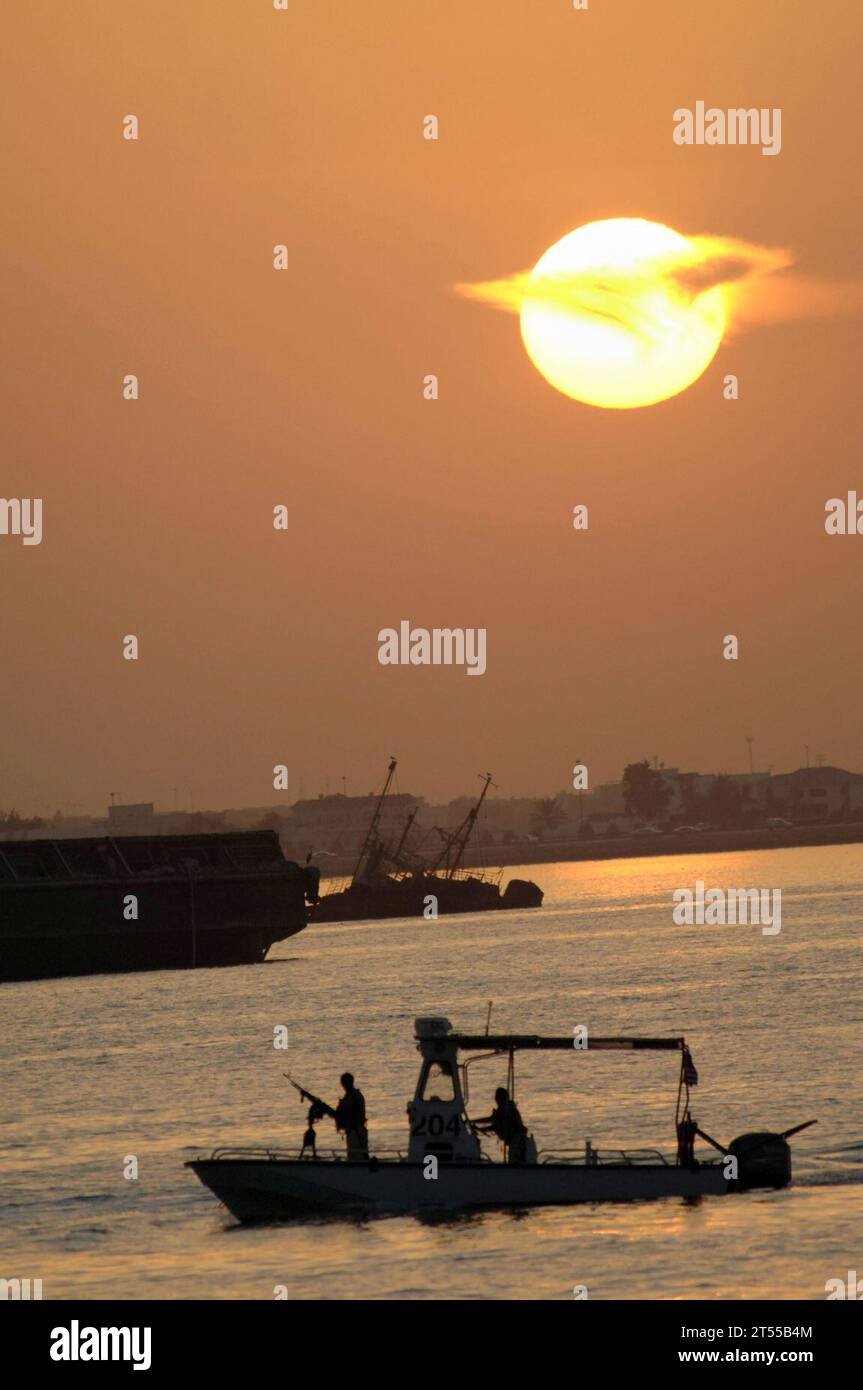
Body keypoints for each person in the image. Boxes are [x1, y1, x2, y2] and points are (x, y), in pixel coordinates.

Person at [473, 1086, 528, 1164]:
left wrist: (478, 1127)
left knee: (516, 1161)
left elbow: (494, 1124)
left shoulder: (507, 1110)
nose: (497, 1100)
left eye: (498, 1098)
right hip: (514, 1141)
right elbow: (493, 1121)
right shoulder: (503, 1109)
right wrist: (474, 1123)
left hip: (517, 1141)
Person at [334, 1072, 369, 1160]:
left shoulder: (352, 1096)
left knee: (356, 1158)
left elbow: (346, 1113)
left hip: (356, 1132)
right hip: (356, 1131)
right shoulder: (354, 1095)